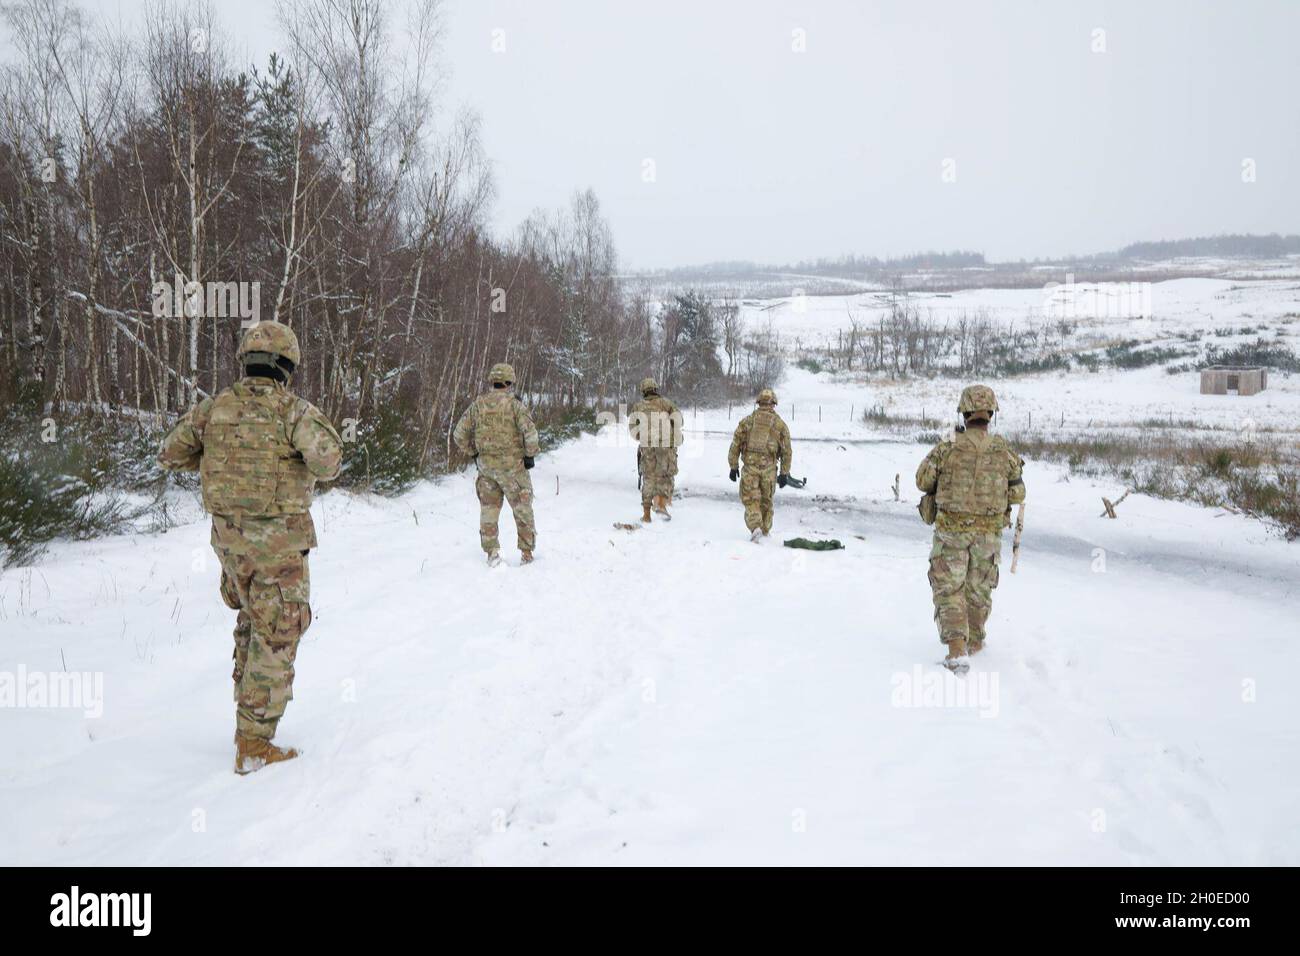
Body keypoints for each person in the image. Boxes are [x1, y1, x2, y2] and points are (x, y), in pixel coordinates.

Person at [158, 320, 342, 774]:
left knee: (252, 625)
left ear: (246, 361)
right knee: (277, 635)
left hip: (230, 547)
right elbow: (330, 460)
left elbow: (170, 453)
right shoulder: (292, 411)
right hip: (278, 550)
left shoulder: (212, 409)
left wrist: (221, 451)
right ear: (287, 365)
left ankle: (248, 720)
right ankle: (254, 745)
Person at [915, 384, 1026, 673]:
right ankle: (975, 644)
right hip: (988, 534)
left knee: (950, 588)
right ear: (991, 414)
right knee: (979, 589)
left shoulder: (948, 446)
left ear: (964, 413)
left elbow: (923, 481)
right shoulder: (1004, 451)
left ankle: (957, 651)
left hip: (952, 530)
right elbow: (1017, 493)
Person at [453, 362, 541, 567]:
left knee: (489, 511)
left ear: (492, 381)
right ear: (510, 382)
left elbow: (458, 434)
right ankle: (526, 554)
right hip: (514, 470)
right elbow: (531, 434)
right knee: (523, 510)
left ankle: (492, 552)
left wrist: (473, 452)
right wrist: (529, 456)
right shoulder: (516, 406)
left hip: (487, 470)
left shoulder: (478, 405)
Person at [727, 388, 793, 542]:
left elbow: (736, 444)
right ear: (773, 404)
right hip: (769, 470)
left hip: (750, 469)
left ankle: (756, 528)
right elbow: (787, 451)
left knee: (751, 499)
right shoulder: (780, 425)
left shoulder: (747, 421)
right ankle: (764, 530)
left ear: (758, 402)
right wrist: (784, 473)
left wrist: (733, 466)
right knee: (766, 501)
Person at [628, 377, 684, 522]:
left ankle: (646, 515)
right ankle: (661, 505)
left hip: (647, 446)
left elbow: (633, 429)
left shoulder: (638, 406)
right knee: (664, 475)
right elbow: (679, 421)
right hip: (665, 444)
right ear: (656, 389)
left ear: (643, 391)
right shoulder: (666, 403)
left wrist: (643, 436)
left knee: (649, 477)